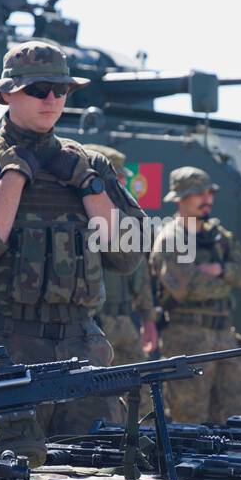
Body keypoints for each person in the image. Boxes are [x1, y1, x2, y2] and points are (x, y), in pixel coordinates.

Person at [0, 41, 146, 466]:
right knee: (6, 478)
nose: (51, 99)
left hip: (81, 348)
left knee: (99, 474)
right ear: (7, 93)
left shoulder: (91, 165)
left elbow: (126, 257)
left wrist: (89, 186)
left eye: (60, 90)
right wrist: (14, 173)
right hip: (5, 350)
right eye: (38, 89)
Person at [150, 167, 241, 423]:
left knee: (236, 412)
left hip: (223, 335)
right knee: (189, 414)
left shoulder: (219, 237)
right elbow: (186, 289)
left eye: (209, 193)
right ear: (179, 199)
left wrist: (220, 269)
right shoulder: (171, 238)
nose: (206, 199)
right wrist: (224, 279)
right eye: (198, 193)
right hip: (186, 338)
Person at [82, 145, 157, 365]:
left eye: (122, 178)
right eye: (117, 177)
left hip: (125, 324)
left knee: (142, 394)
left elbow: (139, 273)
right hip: (93, 325)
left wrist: (148, 318)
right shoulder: (78, 219)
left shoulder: (126, 219)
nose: (122, 184)